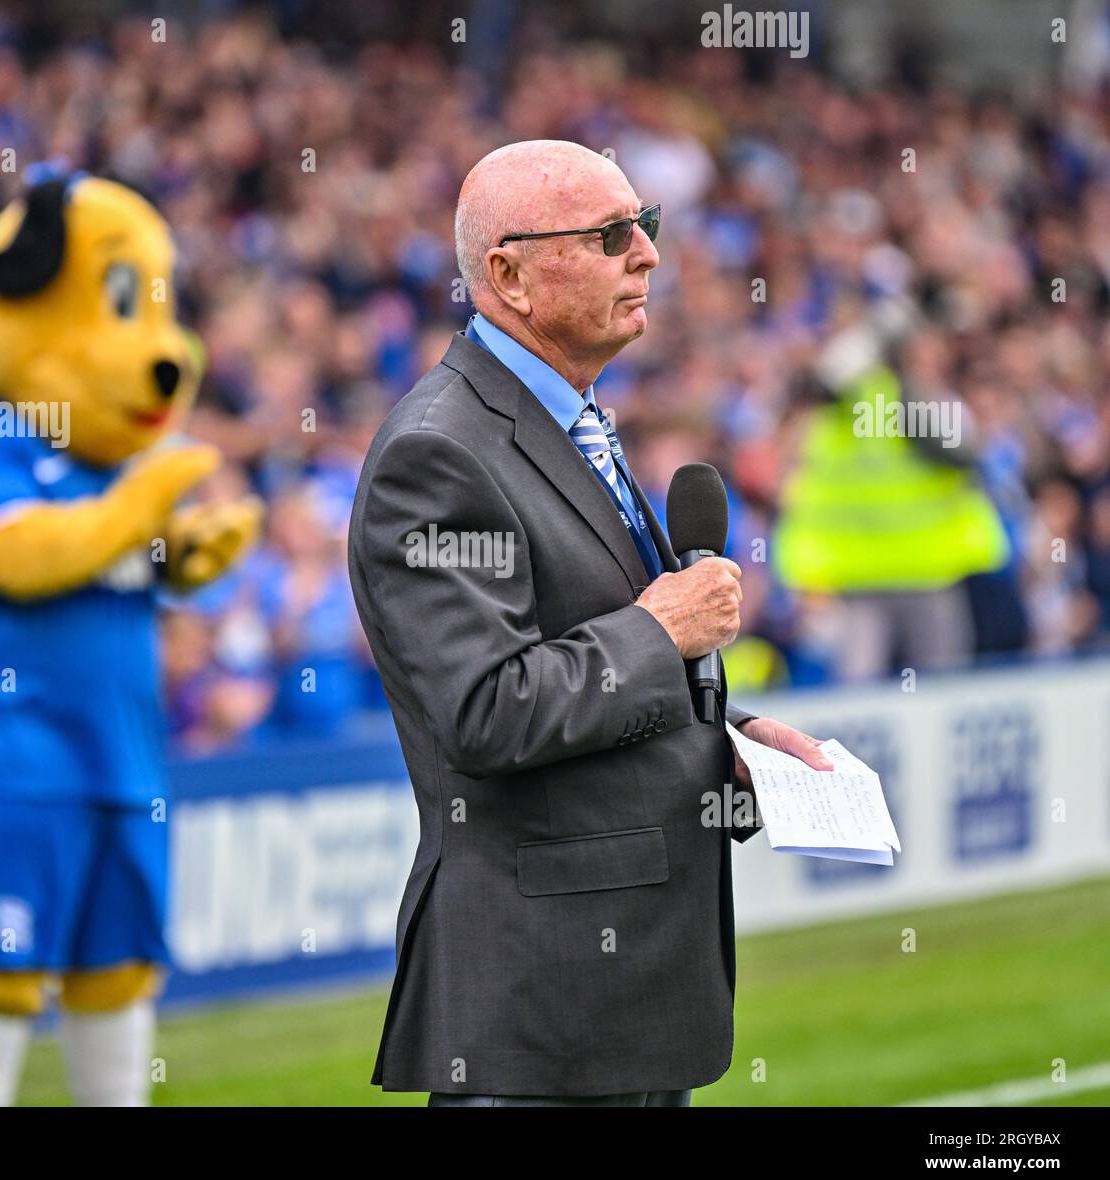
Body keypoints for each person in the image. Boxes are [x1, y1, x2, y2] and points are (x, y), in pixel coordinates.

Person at [347, 140, 831, 1107]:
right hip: (539, 1001)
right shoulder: (437, 452)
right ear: (510, 276)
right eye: (611, 235)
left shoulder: (571, 419)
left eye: (642, 227)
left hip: (627, 994)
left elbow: (581, 660)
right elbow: (487, 710)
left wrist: (726, 746)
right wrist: (661, 632)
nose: (646, 253)